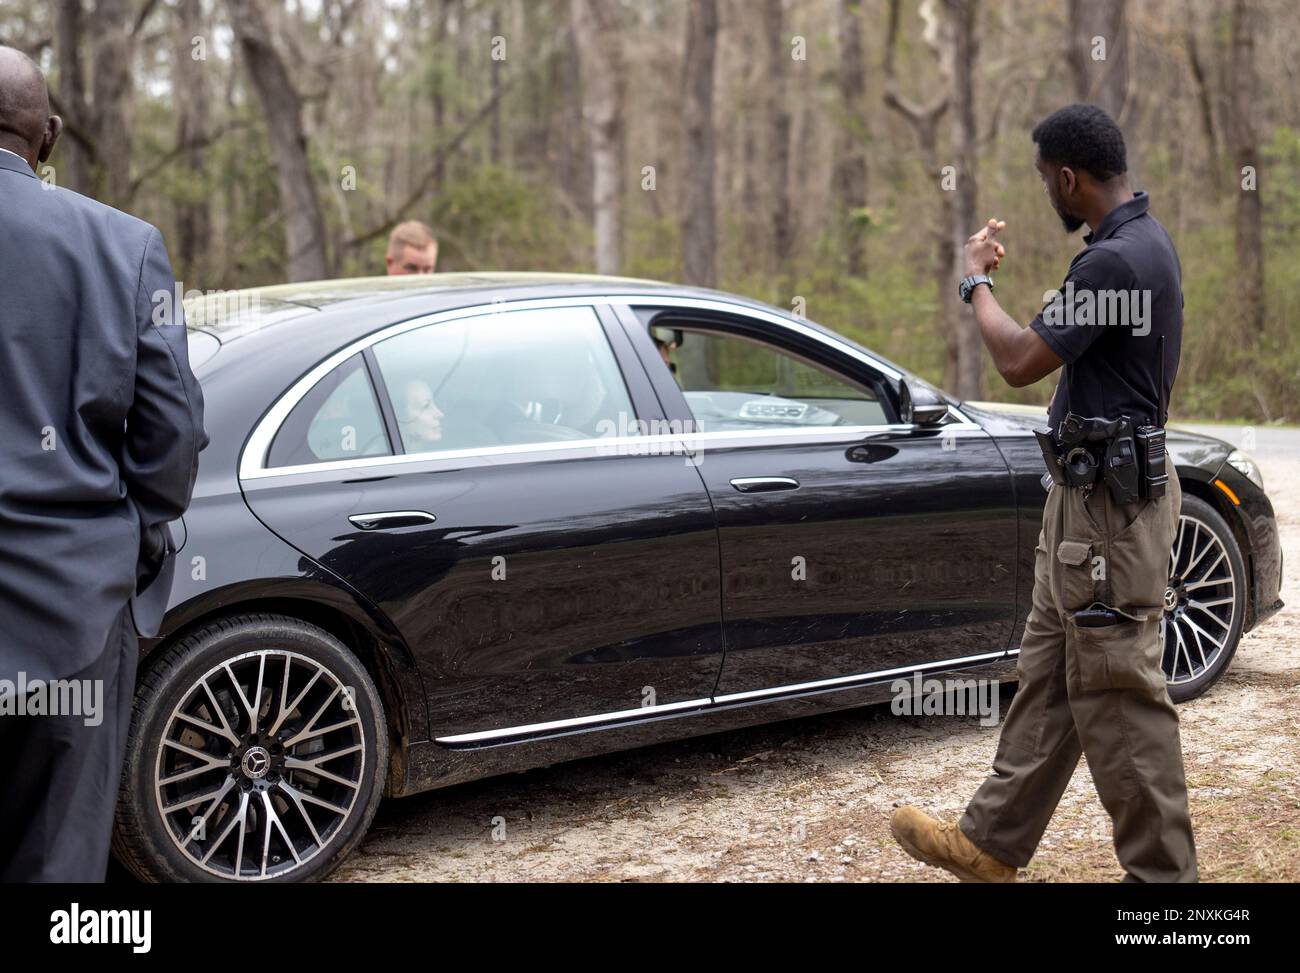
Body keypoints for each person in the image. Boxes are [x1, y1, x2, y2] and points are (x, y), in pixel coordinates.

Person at [891, 104, 1196, 882]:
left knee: (1119, 695)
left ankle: (1167, 887)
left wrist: (976, 283)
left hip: (1108, 514)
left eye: (1043, 180)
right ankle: (992, 844)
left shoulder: (1112, 264)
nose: (1044, 192)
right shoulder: (1142, 242)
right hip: (1087, 500)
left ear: (1067, 177)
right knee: (1052, 672)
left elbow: (1020, 359)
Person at [0, 47, 207, 881]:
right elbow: (172, 434)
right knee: (57, 864)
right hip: (74, 610)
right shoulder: (124, 246)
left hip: (80, 596)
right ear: (48, 137)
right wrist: (131, 540)